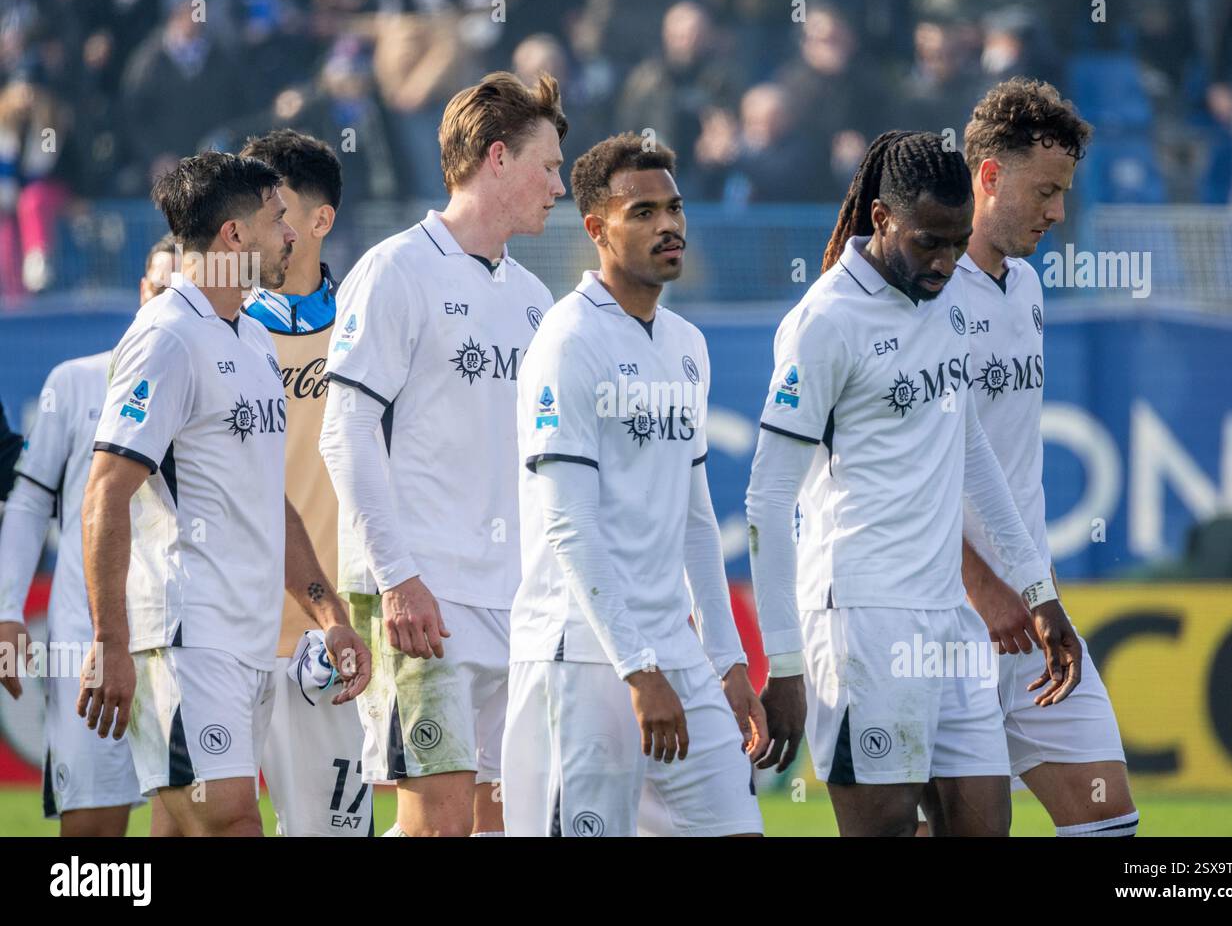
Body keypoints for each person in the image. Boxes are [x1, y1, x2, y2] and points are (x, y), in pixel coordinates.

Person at [745, 130, 1075, 836]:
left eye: (958, 243)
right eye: (930, 241)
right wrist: (783, 660)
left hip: (948, 623)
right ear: (882, 220)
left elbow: (971, 451)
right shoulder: (825, 323)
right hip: (861, 620)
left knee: (984, 828)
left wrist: (1037, 589)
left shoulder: (950, 300)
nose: (946, 260)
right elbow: (767, 500)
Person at [78, 151, 370, 837]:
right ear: (234, 238)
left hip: (247, 636)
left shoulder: (251, 340)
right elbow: (105, 494)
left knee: (187, 827)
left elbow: (271, 499)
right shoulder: (166, 338)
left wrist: (326, 612)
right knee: (231, 819)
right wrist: (110, 641)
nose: (290, 236)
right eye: (277, 221)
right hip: (183, 631)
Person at [319, 72, 565, 837]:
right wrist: (398, 580)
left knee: (498, 823)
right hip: (421, 597)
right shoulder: (395, 270)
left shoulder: (534, 298)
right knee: (438, 823)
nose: (559, 185)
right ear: (498, 158)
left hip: (512, 598)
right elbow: (345, 431)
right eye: (549, 165)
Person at [502, 133, 767, 837]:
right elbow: (569, 525)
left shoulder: (687, 345)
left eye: (674, 209)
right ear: (596, 228)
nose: (669, 226)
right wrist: (635, 667)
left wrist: (726, 657)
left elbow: (694, 517)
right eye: (643, 212)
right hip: (585, 654)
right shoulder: (567, 343)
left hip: (674, 648)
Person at [952, 77, 1136, 836]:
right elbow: (877, 472)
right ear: (989, 178)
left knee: (1108, 821)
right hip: (943, 619)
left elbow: (1009, 461)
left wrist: (1035, 586)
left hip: (1030, 613)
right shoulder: (918, 296)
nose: (1058, 212)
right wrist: (985, 587)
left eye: (1064, 191)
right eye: (1046, 190)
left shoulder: (1025, 286)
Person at [0, 234, 172, 835]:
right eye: (158, 287)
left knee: (199, 820)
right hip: (88, 648)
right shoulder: (73, 383)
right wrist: (7, 608)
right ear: (139, 290)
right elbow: (27, 501)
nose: (165, 302)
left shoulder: (224, 385)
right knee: (94, 837)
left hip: (191, 644)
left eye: (181, 291)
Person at [237, 128, 372, 837]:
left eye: (277, 208)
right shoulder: (212, 326)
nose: (263, 226)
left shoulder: (368, 328)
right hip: (222, 629)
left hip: (330, 634)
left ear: (321, 221)